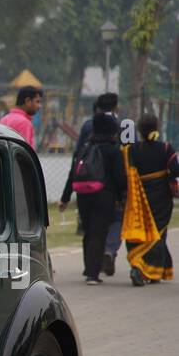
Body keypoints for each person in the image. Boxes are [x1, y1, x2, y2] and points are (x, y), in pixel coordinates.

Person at [59, 111, 126, 285]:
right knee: (99, 232)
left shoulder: (83, 149)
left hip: (83, 195)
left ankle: (89, 267)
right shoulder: (113, 150)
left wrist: (65, 198)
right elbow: (119, 177)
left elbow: (72, 174)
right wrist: (122, 197)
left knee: (88, 231)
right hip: (105, 196)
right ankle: (93, 275)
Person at [122, 112, 179, 285]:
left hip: (138, 198)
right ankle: (141, 269)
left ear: (139, 130)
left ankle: (144, 269)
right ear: (157, 128)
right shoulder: (165, 148)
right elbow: (175, 171)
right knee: (158, 235)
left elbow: (126, 174)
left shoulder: (132, 150)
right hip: (161, 197)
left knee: (140, 233)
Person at [0, 85, 42, 150]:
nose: (39, 106)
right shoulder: (24, 123)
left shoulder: (4, 119)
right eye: (37, 101)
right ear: (28, 101)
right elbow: (25, 152)